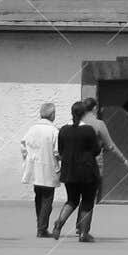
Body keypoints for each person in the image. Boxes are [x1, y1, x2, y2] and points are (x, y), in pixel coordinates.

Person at [52, 101, 100, 242]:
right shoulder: (88, 130)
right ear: (84, 113)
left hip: (69, 171)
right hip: (87, 171)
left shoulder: (64, 130)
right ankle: (84, 233)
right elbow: (96, 150)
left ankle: (59, 223)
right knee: (87, 201)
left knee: (72, 200)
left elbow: (61, 151)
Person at [21, 103, 60, 238]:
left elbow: (23, 147)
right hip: (49, 168)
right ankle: (42, 228)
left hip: (34, 168)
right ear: (52, 114)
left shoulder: (31, 129)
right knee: (47, 200)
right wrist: (59, 164)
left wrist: (27, 160)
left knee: (38, 198)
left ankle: (40, 225)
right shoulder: (54, 131)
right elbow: (57, 152)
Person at [82, 97, 128, 195]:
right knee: (91, 196)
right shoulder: (98, 124)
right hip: (93, 163)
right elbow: (110, 145)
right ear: (94, 108)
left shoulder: (76, 123)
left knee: (76, 197)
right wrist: (123, 158)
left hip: (75, 163)